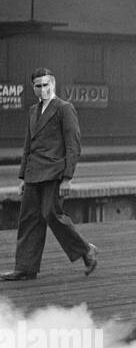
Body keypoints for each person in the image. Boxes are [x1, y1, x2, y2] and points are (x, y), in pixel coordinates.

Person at [1, 69, 98, 280]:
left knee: (51, 214)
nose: (43, 89)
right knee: (28, 219)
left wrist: (67, 177)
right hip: (34, 173)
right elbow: (28, 146)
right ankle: (25, 268)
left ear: (53, 84)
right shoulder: (33, 111)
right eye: (38, 85)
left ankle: (85, 249)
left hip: (54, 173)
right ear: (33, 87)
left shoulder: (64, 109)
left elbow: (74, 145)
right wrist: (22, 178)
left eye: (46, 85)